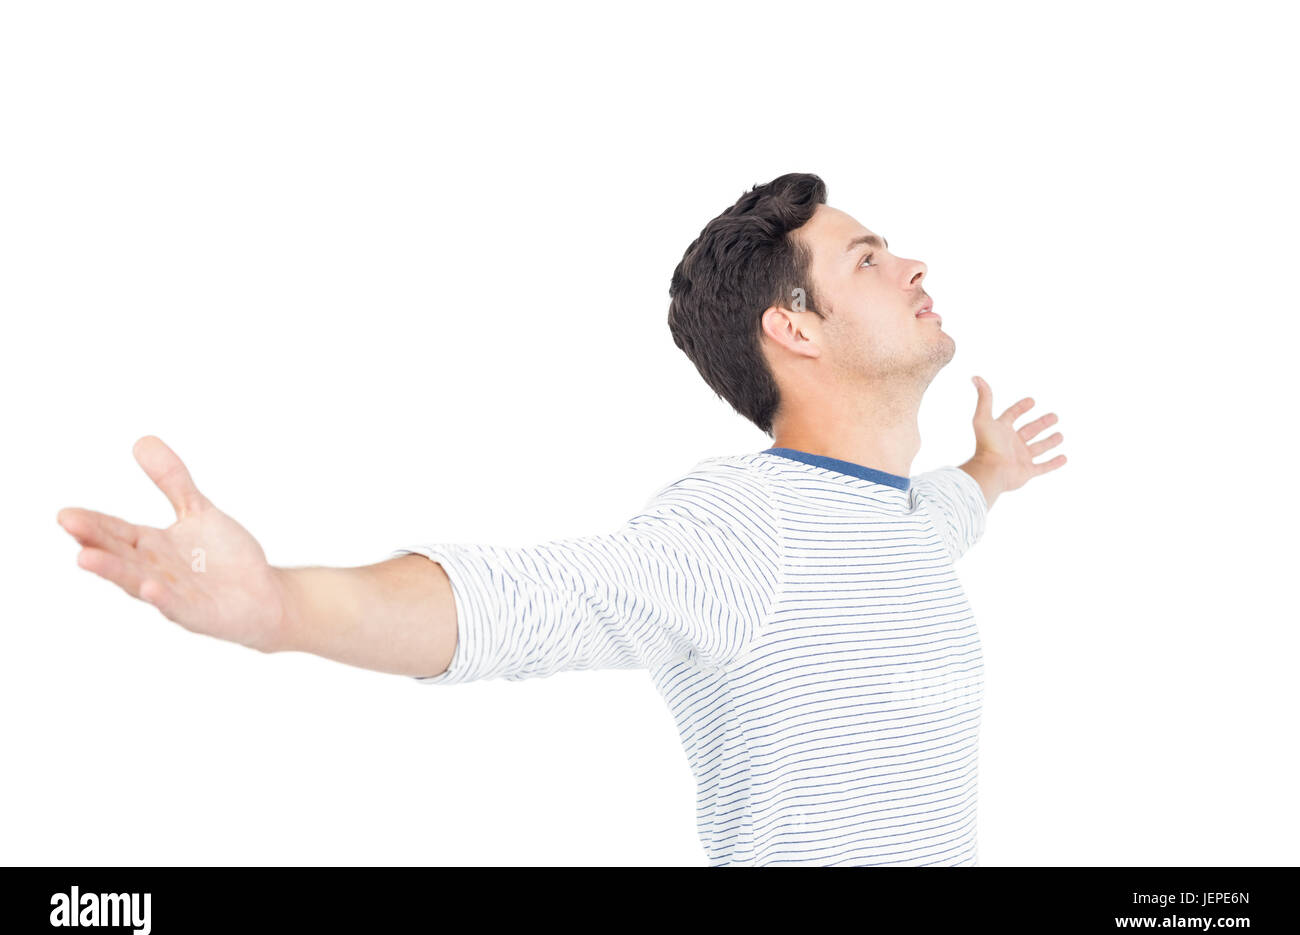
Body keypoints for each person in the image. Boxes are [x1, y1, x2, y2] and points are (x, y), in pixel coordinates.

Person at [56, 172, 1065, 865]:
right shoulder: (745, 531)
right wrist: (283, 605)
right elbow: (537, 600)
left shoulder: (902, 520)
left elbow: (946, 512)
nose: (913, 265)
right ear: (792, 326)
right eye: (868, 258)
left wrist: (990, 469)